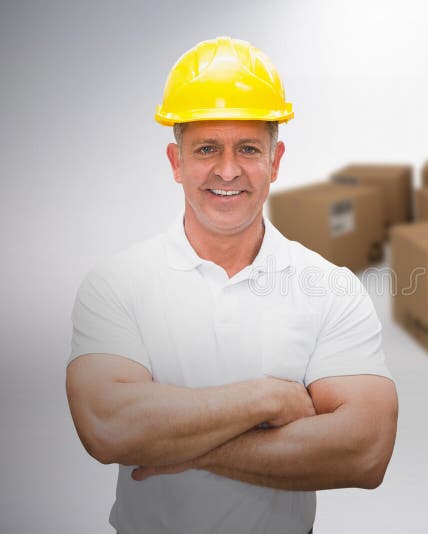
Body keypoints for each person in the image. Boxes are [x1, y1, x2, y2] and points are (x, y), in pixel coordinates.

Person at [65, 36, 398, 534]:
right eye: (206, 149)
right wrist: (269, 399)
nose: (227, 170)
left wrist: (179, 445)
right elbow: (108, 427)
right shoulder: (118, 284)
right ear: (176, 162)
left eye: (247, 148)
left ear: (275, 160)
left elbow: (367, 449)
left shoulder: (329, 288)